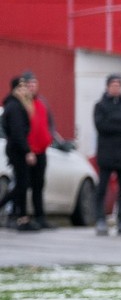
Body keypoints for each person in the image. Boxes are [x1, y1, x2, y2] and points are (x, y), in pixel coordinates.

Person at [93, 74, 121, 236]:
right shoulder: (100, 106)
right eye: (113, 85)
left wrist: (113, 119)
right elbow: (101, 126)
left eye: (118, 85)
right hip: (106, 154)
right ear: (107, 87)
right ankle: (100, 219)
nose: (116, 88)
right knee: (102, 188)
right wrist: (120, 123)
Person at [1, 76, 37, 231]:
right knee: (22, 184)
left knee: (22, 184)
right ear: (15, 89)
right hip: (17, 149)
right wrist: (27, 151)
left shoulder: (16, 105)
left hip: (16, 148)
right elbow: (17, 132)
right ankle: (20, 217)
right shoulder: (15, 106)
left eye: (25, 87)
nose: (24, 90)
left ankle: (22, 218)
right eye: (21, 87)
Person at [23, 71, 57, 230]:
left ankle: (40, 216)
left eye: (34, 84)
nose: (32, 87)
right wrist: (26, 148)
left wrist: (49, 138)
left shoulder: (42, 103)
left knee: (39, 185)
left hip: (41, 150)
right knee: (23, 185)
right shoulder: (22, 104)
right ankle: (21, 216)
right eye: (29, 84)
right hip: (27, 151)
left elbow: (49, 123)